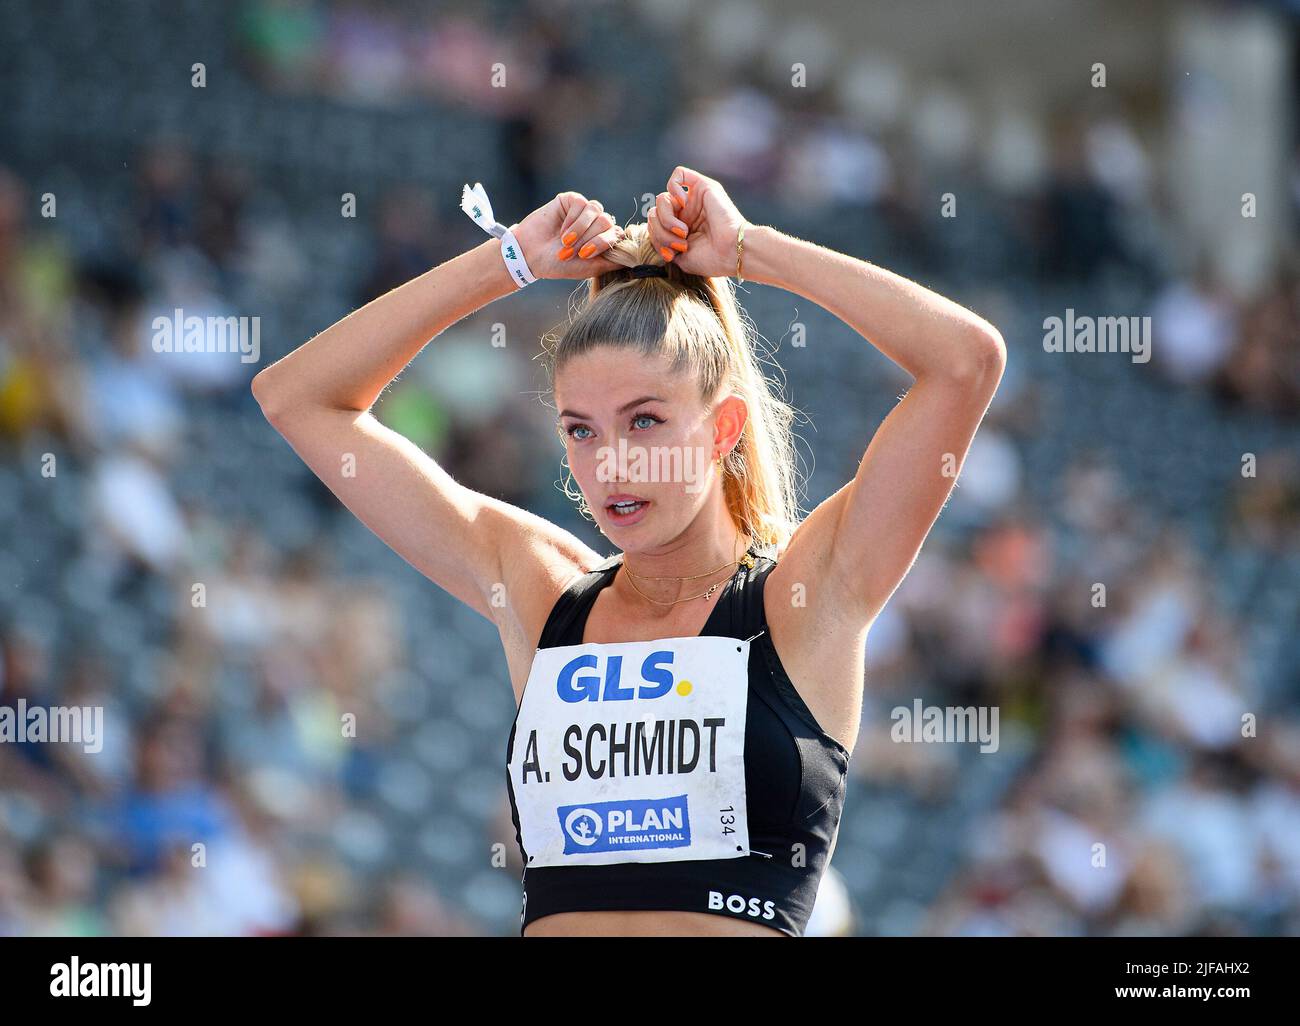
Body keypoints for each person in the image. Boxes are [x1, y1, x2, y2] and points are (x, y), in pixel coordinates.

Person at [251, 165, 1006, 936]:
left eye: (644, 420)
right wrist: (507, 260)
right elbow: (296, 397)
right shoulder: (544, 590)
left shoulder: (806, 595)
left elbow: (965, 361)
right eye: (581, 429)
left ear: (722, 427)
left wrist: (749, 248)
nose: (611, 463)